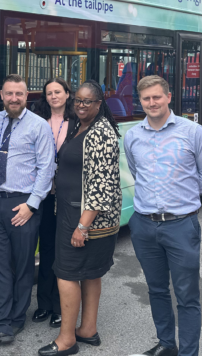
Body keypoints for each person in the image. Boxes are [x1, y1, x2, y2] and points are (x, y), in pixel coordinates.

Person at [123, 75, 202, 356]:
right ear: (140, 101)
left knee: (187, 295)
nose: (152, 103)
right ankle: (166, 345)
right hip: (143, 225)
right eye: (146, 98)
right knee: (156, 290)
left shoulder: (192, 132)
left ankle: (188, 352)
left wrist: (181, 196)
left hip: (181, 226)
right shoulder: (132, 136)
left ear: (168, 97)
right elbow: (137, 172)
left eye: (157, 97)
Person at [0, 74, 56, 347]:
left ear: (27, 95)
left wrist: (32, 205)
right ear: (2, 95)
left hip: (23, 204)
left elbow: (47, 168)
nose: (14, 98)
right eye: (9, 93)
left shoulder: (39, 126)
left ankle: (15, 320)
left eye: (19, 94)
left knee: (21, 266)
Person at [38, 81, 122, 356]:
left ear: (99, 104)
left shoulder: (101, 133)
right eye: (78, 101)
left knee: (66, 274)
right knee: (90, 273)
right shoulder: (81, 127)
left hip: (83, 217)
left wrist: (82, 226)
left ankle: (67, 339)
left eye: (88, 101)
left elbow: (101, 185)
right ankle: (87, 330)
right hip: (72, 211)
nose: (81, 105)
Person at [31, 78, 77, 329]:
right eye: (49, 93)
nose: (53, 96)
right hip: (45, 193)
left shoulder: (77, 121)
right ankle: (44, 304)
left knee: (64, 250)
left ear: (67, 94)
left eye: (58, 92)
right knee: (47, 246)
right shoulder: (38, 119)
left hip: (67, 193)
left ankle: (60, 307)